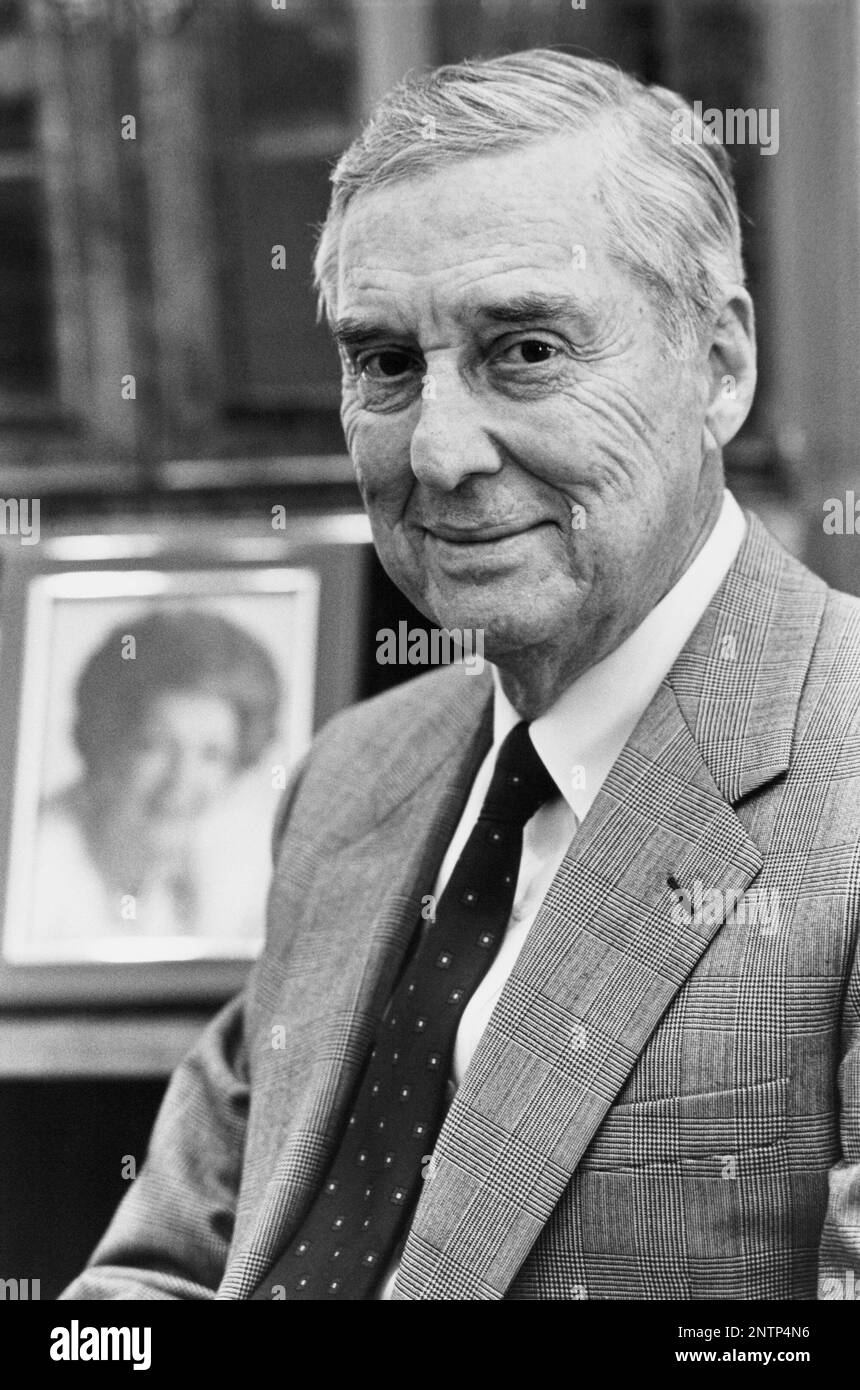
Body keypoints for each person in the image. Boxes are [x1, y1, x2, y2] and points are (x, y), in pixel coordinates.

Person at [62, 50, 859, 1301]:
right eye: (384, 362)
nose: (435, 450)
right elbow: (162, 1275)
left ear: (720, 367)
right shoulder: (349, 775)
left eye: (525, 348)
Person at [29, 607, 282, 956]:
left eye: (213, 754)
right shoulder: (35, 859)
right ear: (105, 744)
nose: (182, 781)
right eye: (155, 745)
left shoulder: (249, 865)